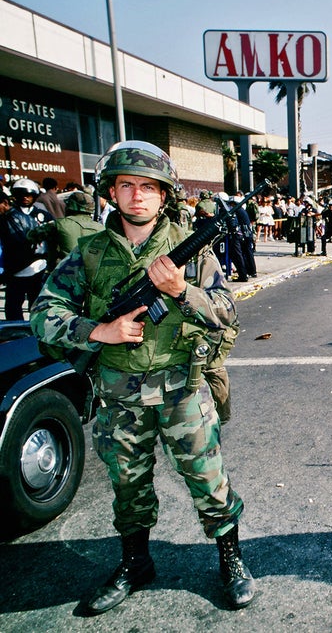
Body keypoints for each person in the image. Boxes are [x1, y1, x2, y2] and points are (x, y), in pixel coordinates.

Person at [30, 141, 255, 612]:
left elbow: (227, 313)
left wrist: (183, 290)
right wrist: (100, 330)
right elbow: (44, 312)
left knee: (208, 480)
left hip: (181, 390)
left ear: (163, 195)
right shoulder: (89, 253)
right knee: (127, 484)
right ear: (111, 191)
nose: (137, 195)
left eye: (148, 187)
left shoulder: (189, 251)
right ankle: (135, 563)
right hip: (119, 395)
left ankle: (231, 559)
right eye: (127, 185)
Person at [0, 179, 54, 320]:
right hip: (15, 266)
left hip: (39, 266)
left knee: (36, 302)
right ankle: (15, 333)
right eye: (21, 195)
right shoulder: (7, 216)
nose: (25, 198)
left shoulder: (43, 215)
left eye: (29, 195)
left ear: (34, 196)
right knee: (13, 304)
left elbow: (52, 240)